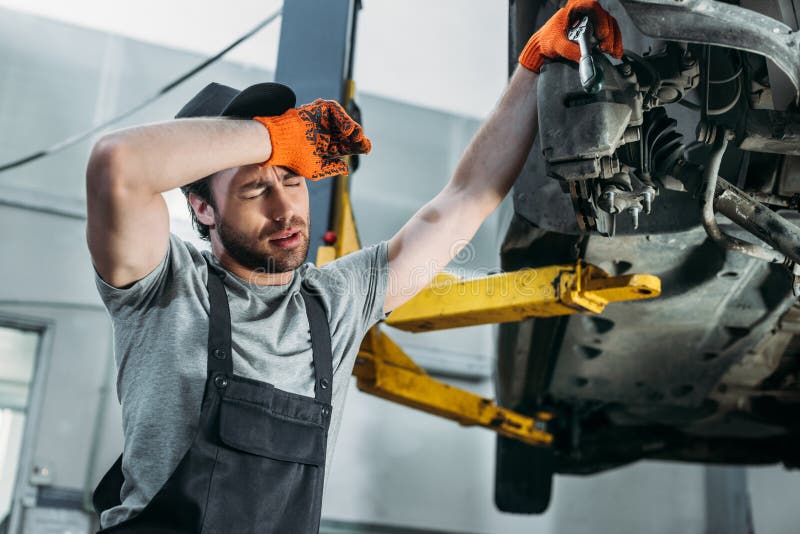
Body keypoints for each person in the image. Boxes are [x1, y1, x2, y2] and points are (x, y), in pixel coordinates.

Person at [86, 1, 622, 532]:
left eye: (292, 179)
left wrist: (532, 67)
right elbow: (118, 165)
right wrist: (282, 139)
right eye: (255, 189)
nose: (285, 209)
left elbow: (466, 196)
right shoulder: (162, 288)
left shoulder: (336, 303)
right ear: (202, 208)